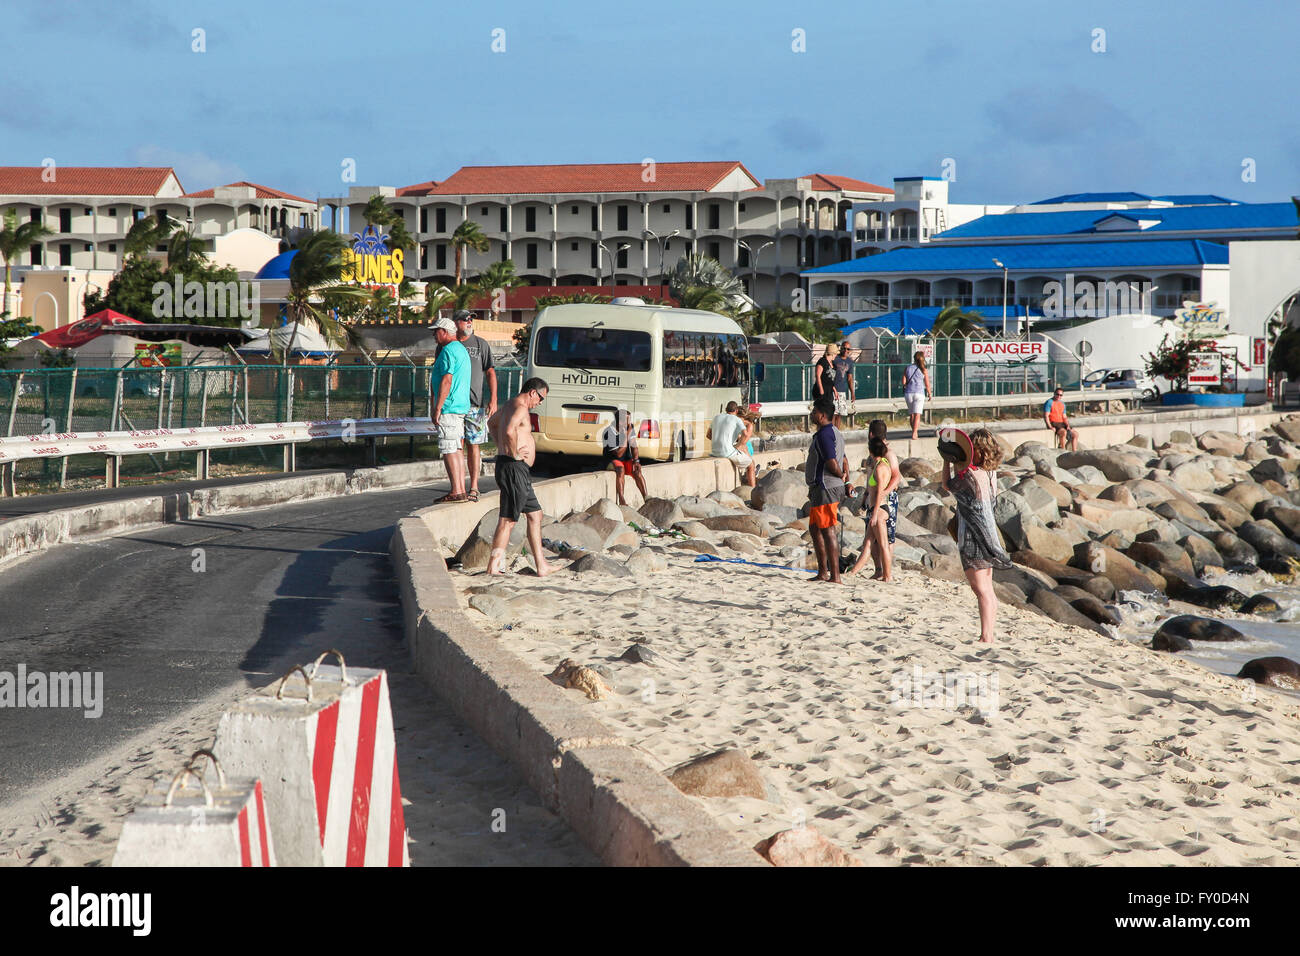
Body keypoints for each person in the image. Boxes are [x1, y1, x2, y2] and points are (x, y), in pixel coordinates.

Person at [941, 427, 1013, 643]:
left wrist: (947, 460)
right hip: (988, 536)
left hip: (973, 539)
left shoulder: (969, 476)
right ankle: (988, 634)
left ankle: (986, 635)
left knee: (980, 588)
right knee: (987, 589)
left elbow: (947, 485)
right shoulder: (990, 474)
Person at [485, 377, 552, 576]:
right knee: (508, 519)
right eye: (540, 398)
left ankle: (542, 566)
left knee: (535, 514)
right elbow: (507, 430)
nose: (539, 403)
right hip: (514, 468)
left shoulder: (509, 405)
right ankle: (493, 567)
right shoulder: (521, 408)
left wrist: (501, 447)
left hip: (515, 469)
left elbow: (492, 423)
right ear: (532, 392)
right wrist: (512, 452)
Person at [453, 310, 497, 503]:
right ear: (456, 323)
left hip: (475, 405)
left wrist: (493, 398)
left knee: (474, 444)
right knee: (456, 446)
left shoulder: (481, 344)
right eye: (465, 319)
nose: (469, 322)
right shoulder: (448, 345)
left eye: (471, 319)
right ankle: (458, 487)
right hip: (453, 405)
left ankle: (474, 487)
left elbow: (490, 372)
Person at [849, 420, 901, 579]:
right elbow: (870, 480)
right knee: (871, 539)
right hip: (874, 499)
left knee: (886, 539)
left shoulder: (888, 454)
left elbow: (896, 477)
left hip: (885, 500)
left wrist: (884, 493)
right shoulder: (874, 456)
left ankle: (887, 573)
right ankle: (879, 570)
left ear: (871, 434)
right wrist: (865, 496)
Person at [805, 405, 847, 584]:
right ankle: (823, 572)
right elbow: (844, 459)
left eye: (814, 411)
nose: (812, 414)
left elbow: (832, 462)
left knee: (827, 529)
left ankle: (835, 576)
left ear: (822, 415)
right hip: (820, 488)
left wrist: (841, 475)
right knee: (815, 529)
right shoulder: (834, 432)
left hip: (826, 486)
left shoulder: (825, 434)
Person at [430, 316, 471, 502]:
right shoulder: (461, 349)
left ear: (444, 332)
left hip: (449, 406)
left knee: (448, 448)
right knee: (456, 448)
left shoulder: (447, 351)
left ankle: (456, 490)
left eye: (436, 331)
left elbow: (447, 379)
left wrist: (438, 407)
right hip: (460, 406)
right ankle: (460, 489)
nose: (434, 335)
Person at [600, 407, 648, 506]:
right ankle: (622, 500)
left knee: (637, 470)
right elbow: (618, 454)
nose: (630, 423)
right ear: (620, 422)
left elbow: (634, 446)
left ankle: (646, 498)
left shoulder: (629, 428)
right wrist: (626, 435)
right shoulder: (609, 432)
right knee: (620, 469)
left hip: (626, 459)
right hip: (612, 460)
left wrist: (636, 460)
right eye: (627, 420)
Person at [707, 400, 755, 486]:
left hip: (714, 452)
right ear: (736, 411)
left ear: (725, 409)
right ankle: (752, 490)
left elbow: (708, 435)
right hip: (727, 453)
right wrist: (738, 445)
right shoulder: (737, 419)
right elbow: (745, 434)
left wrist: (718, 442)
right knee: (751, 465)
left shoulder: (716, 417)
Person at [903, 351, 932, 440]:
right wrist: (929, 393)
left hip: (909, 393)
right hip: (919, 393)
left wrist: (906, 385)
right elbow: (927, 383)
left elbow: (903, 381)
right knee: (917, 415)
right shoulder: (923, 369)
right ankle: (915, 433)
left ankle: (913, 431)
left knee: (912, 414)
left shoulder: (908, 368)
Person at [1043, 386, 1079, 451]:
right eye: (1057, 394)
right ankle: (1063, 450)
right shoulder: (1049, 402)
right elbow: (1046, 416)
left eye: (1060, 395)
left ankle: (1074, 451)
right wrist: (1050, 426)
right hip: (1054, 422)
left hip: (1062, 423)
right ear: (1054, 394)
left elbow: (1064, 417)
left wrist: (1067, 425)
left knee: (1075, 434)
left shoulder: (1062, 404)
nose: (1059, 396)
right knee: (1063, 432)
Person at [832, 341, 856, 429]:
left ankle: (836, 432)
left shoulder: (850, 362)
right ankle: (831, 432)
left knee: (839, 414)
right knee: (833, 414)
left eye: (848, 349)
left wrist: (852, 392)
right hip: (833, 390)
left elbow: (849, 378)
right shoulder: (835, 359)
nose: (846, 350)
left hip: (842, 391)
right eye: (844, 348)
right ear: (841, 348)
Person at [813, 343, 838, 419]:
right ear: (832, 353)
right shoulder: (822, 362)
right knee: (822, 412)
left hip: (829, 390)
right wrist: (821, 390)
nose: (836, 355)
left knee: (830, 411)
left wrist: (835, 390)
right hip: (822, 390)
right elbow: (818, 376)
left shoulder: (833, 364)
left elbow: (831, 380)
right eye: (835, 354)